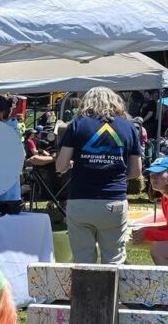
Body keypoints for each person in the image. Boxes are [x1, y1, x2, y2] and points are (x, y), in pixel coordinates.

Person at [55, 87, 142, 264]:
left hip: (81, 200)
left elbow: (60, 166)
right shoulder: (129, 127)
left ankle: (86, 292)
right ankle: (112, 292)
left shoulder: (77, 124)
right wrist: (114, 173)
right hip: (114, 200)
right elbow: (136, 171)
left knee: (83, 260)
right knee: (114, 260)